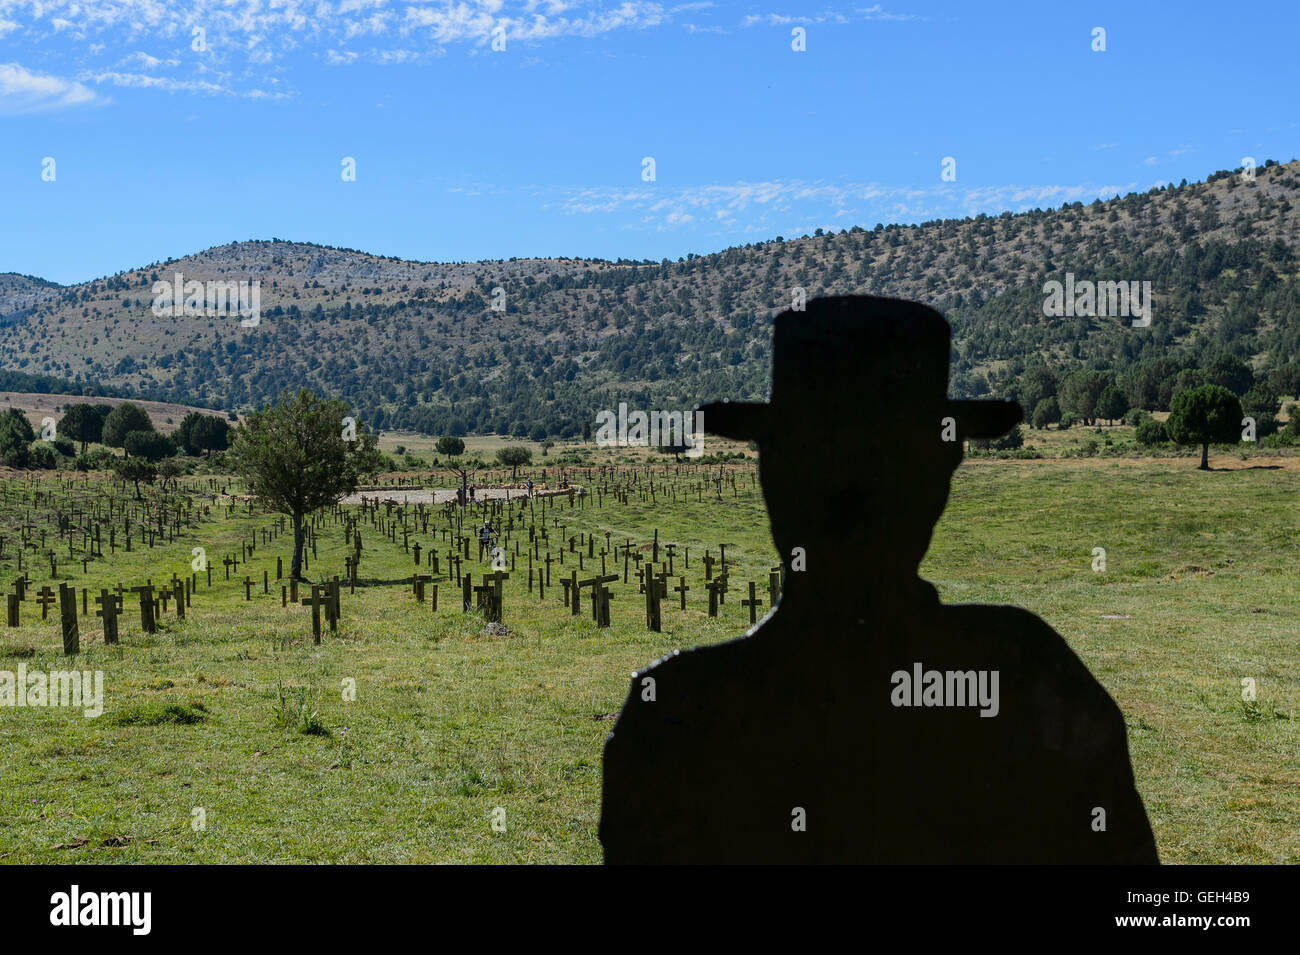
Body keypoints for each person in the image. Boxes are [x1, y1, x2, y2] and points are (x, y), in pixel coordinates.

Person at [599, 295, 1159, 864]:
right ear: (943, 469)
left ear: (774, 470)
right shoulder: (1028, 677)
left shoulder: (674, 717)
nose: (854, 487)